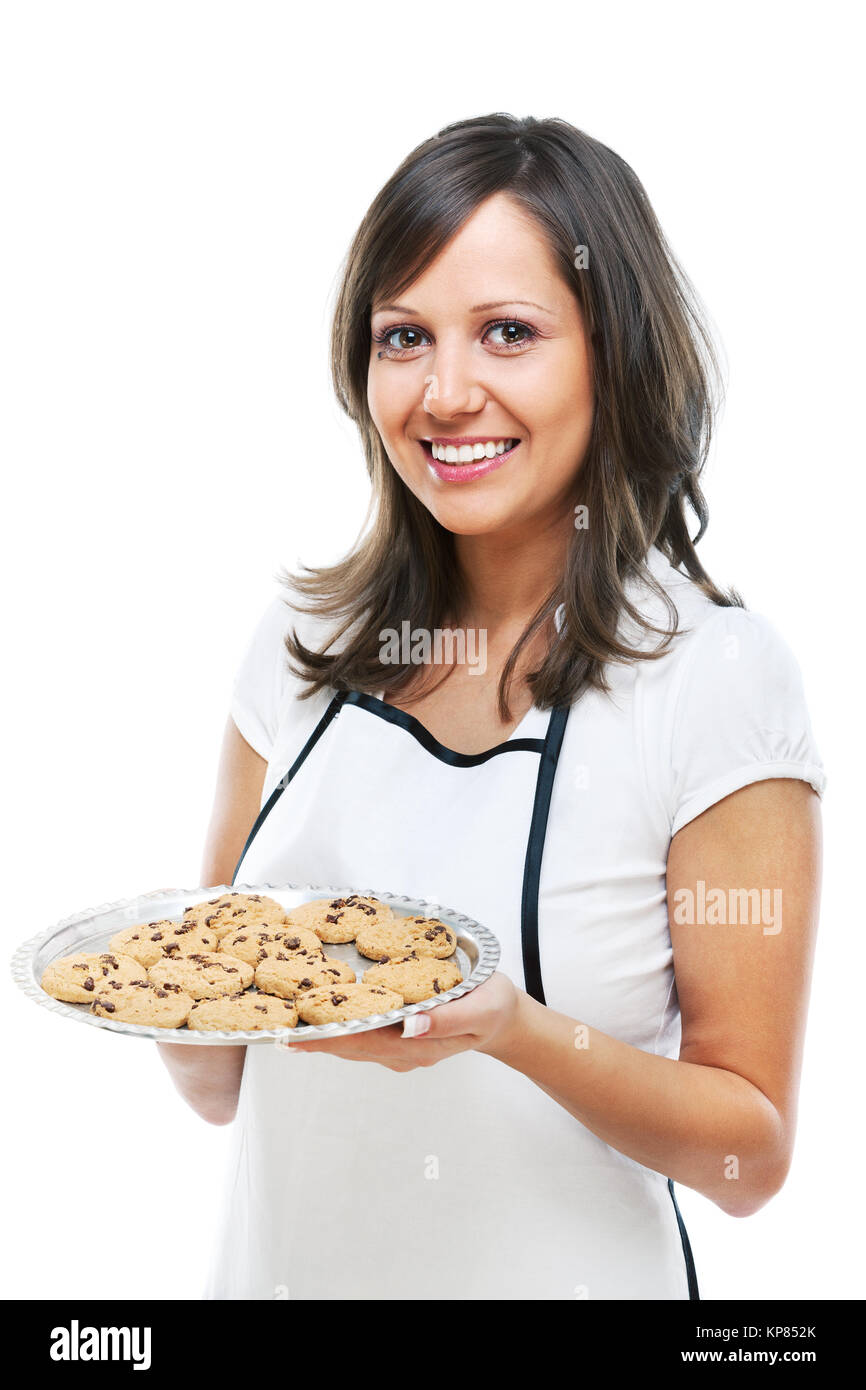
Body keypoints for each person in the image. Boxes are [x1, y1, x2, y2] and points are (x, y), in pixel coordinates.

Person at [158, 114, 825, 1300]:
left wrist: (512, 1029)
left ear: (610, 353)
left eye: (508, 333)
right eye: (402, 336)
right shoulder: (300, 647)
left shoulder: (714, 681)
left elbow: (746, 1155)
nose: (445, 392)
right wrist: (178, 980)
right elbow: (215, 1084)